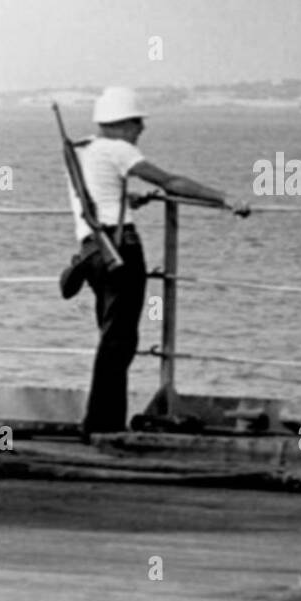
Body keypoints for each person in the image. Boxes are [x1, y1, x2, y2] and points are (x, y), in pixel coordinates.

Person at [61, 86, 248, 437]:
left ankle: (101, 419)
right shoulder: (119, 149)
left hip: (91, 253)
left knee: (110, 336)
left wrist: (130, 200)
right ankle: (103, 424)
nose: (141, 130)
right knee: (120, 341)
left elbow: (98, 197)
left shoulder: (82, 151)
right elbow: (169, 181)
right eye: (137, 122)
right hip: (121, 250)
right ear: (121, 123)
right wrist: (224, 198)